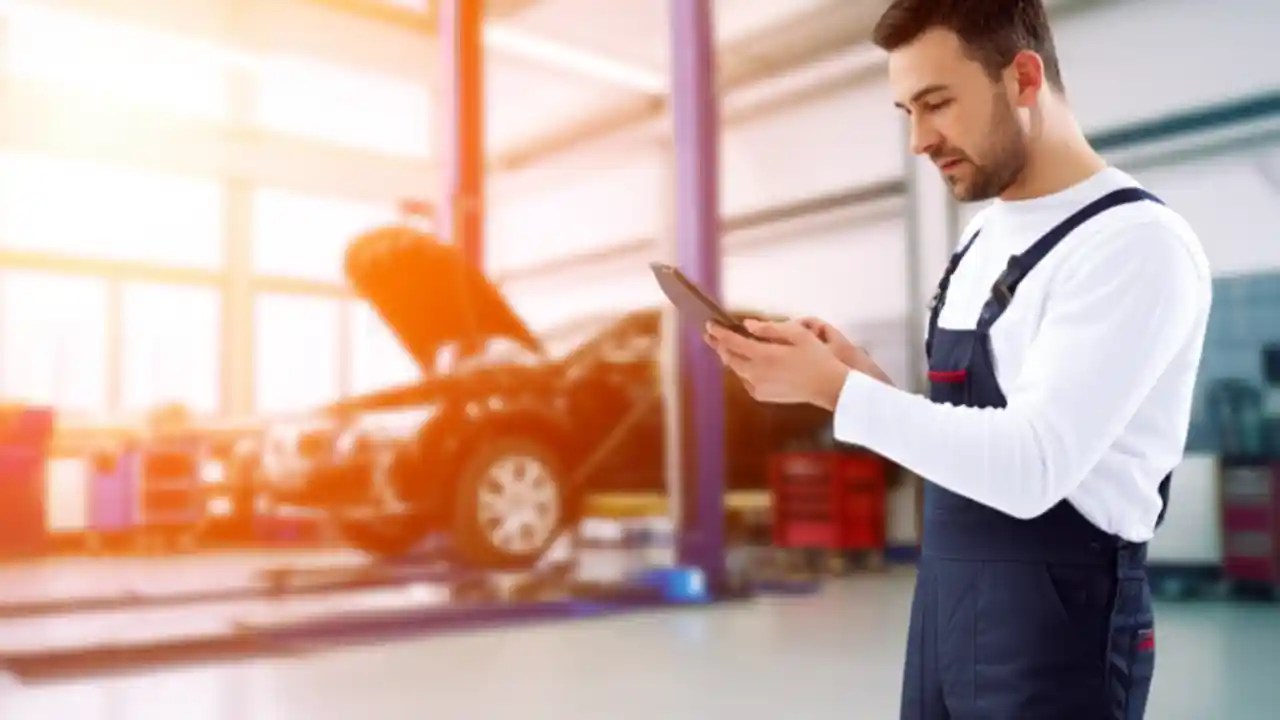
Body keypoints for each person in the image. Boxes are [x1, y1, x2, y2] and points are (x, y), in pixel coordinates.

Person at [704, 0, 1212, 717]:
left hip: (1059, 632)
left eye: (936, 103)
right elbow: (965, 440)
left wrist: (841, 396)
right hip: (945, 607)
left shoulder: (1133, 245)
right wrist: (859, 378)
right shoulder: (983, 239)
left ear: (1024, 80)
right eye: (906, 110)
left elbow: (1034, 467)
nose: (918, 140)